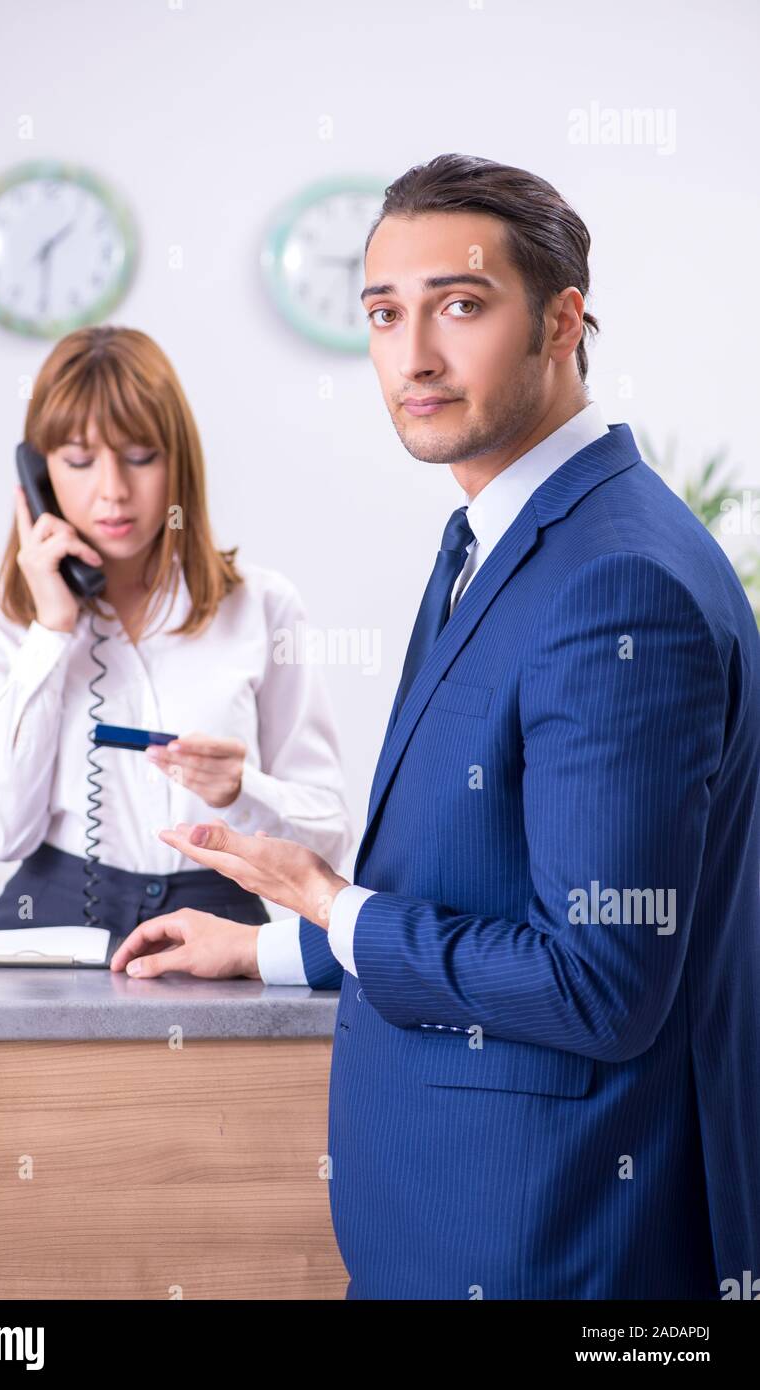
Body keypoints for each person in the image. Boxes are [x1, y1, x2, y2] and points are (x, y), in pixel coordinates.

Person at [111, 155, 760, 1300]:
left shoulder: (618, 584)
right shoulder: (497, 533)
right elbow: (489, 881)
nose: (412, 355)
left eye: (460, 306)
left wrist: (331, 903)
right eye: (383, 313)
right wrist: (275, 944)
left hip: (547, 1245)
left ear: (564, 320)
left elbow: (598, 979)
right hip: (470, 1231)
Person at [0, 326, 352, 957]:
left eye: (139, 456)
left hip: (221, 922)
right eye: (78, 462)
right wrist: (51, 632)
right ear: (38, 476)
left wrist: (243, 791)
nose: (112, 490)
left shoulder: (262, 608)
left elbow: (328, 840)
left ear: (177, 461)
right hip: (50, 926)